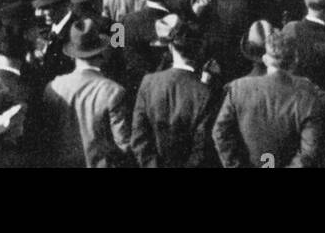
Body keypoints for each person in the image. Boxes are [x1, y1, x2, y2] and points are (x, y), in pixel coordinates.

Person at [212, 24, 325, 169]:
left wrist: (234, 164)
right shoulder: (307, 93)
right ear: (295, 61)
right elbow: (309, 151)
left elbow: (219, 132)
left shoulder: (238, 88)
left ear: (266, 60)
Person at [41, 18, 131, 169]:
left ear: (72, 54)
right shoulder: (114, 91)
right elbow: (123, 143)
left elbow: (47, 137)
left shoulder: (53, 87)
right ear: (101, 52)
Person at [131, 17, 217, 168]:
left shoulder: (148, 82)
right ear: (198, 48)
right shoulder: (205, 92)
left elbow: (139, 139)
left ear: (170, 47)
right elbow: (202, 149)